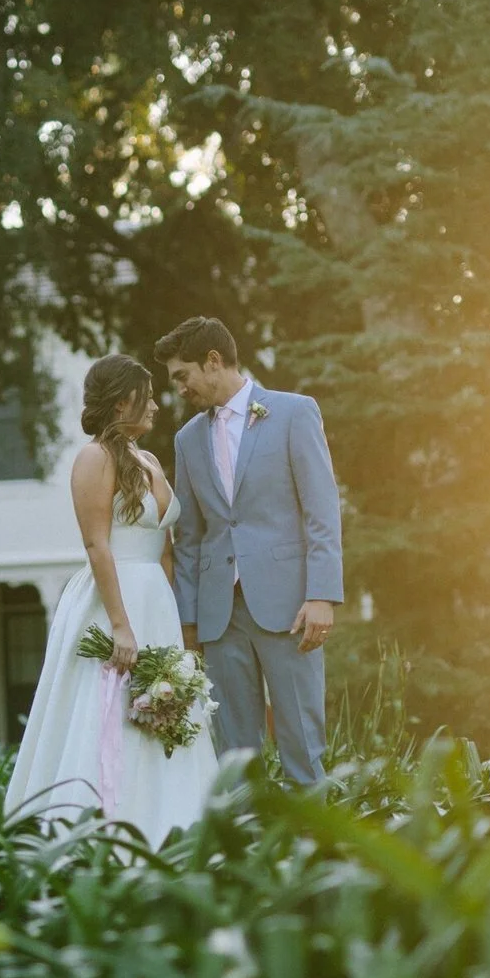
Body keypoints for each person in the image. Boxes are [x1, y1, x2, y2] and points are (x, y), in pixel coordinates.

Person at [3, 354, 218, 842]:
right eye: (147, 397)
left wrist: (178, 624)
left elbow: (165, 549)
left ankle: (172, 824)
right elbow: (97, 544)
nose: (156, 406)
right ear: (122, 401)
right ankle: (100, 826)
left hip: (156, 601)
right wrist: (121, 625)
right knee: (107, 715)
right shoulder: (93, 458)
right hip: (112, 601)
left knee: (166, 709)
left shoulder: (149, 461)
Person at [157, 316, 342, 786]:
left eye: (182, 375)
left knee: (303, 747)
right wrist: (189, 623)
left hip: (290, 607)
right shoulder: (187, 439)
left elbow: (321, 511)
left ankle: (311, 833)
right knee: (234, 758)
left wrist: (322, 595)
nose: (179, 388)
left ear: (213, 361)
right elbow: (189, 538)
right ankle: (246, 833)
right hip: (220, 617)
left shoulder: (295, 413)